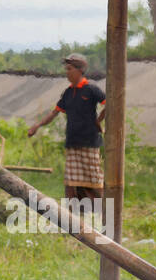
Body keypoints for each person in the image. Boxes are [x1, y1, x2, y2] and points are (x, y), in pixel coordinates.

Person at [28, 52, 106, 224]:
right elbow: (54, 113)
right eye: (66, 69)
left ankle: (105, 216)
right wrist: (37, 126)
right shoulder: (68, 93)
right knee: (71, 182)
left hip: (89, 144)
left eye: (70, 69)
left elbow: (109, 104)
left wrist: (98, 121)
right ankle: (72, 220)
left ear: (80, 70)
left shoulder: (91, 90)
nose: (67, 72)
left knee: (94, 179)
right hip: (72, 144)